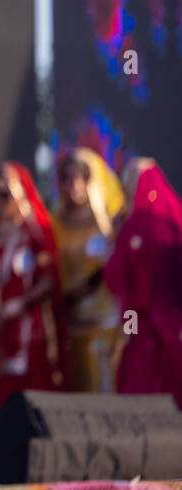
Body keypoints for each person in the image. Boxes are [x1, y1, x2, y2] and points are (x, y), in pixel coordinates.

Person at [0, 163, 67, 428]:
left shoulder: (34, 233)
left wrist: (18, 304)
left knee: (28, 410)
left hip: (26, 335)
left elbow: (47, 280)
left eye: (5, 195)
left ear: (21, 195)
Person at [104, 158, 182, 407]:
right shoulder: (175, 220)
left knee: (138, 374)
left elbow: (121, 281)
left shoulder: (134, 228)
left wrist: (127, 331)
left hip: (141, 321)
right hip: (171, 322)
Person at [51, 148, 125, 393]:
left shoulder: (107, 226)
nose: (72, 184)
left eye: (79, 176)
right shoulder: (55, 224)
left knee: (102, 394)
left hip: (102, 323)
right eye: (65, 177)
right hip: (69, 325)